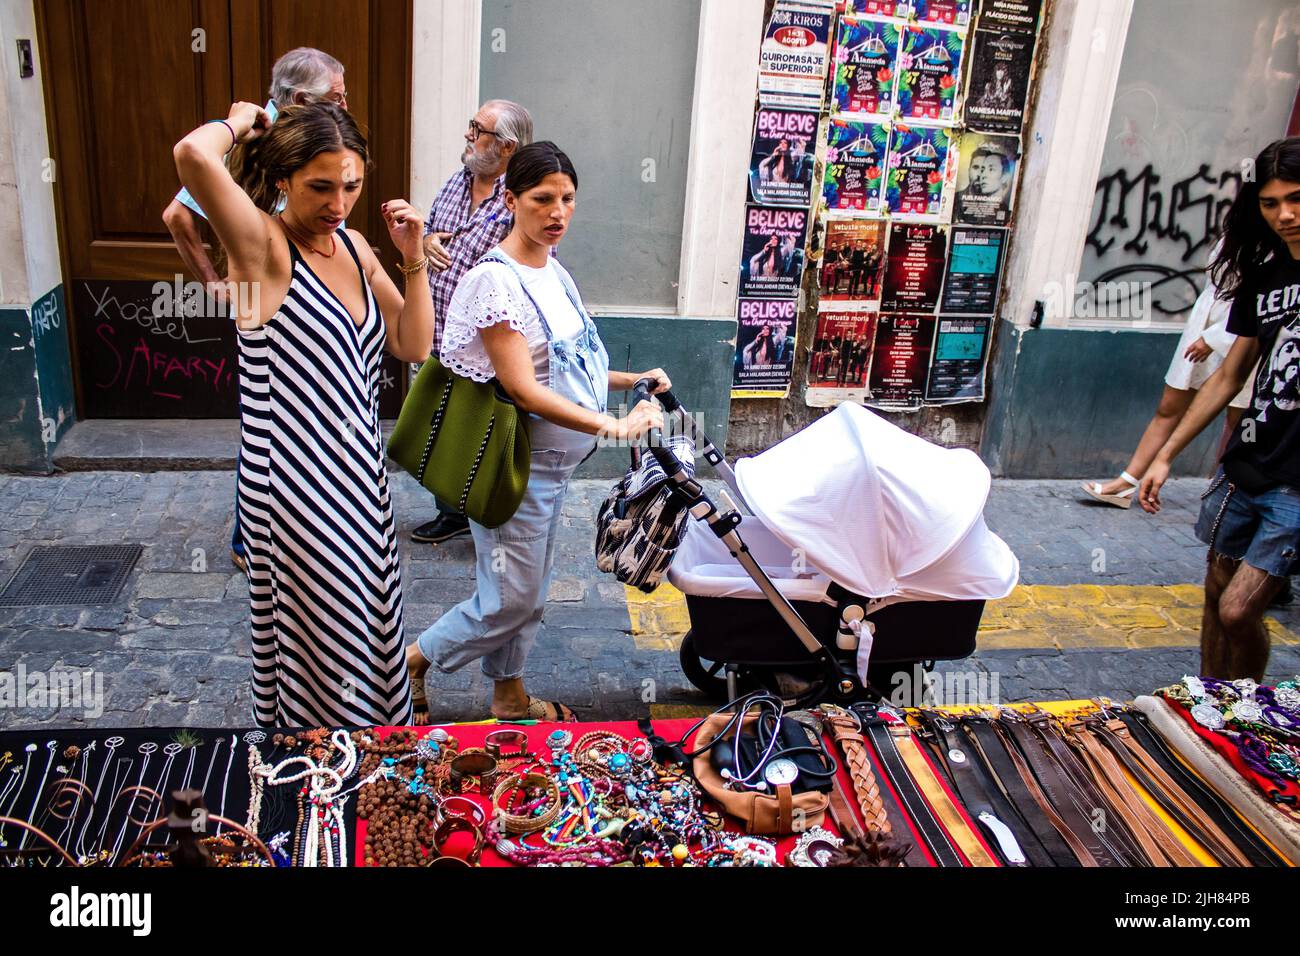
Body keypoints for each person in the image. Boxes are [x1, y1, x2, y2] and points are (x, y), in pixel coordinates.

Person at [173, 100, 435, 726]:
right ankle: (315, 772)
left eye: (351, 184)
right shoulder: (261, 243)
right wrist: (241, 122)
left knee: (368, 629)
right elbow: (191, 156)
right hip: (293, 485)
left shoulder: (352, 245)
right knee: (321, 642)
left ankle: (367, 759)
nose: (338, 202)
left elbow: (412, 343)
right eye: (320, 186)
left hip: (358, 479)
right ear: (284, 178)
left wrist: (412, 252)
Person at [404, 142, 671, 722]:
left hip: (554, 472)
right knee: (513, 597)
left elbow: (571, 365)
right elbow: (524, 388)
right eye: (542, 199)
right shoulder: (495, 283)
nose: (557, 212)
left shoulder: (553, 270)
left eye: (568, 199)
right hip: (515, 474)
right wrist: (614, 426)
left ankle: (508, 695)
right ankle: (415, 660)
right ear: (511, 199)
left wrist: (631, 380)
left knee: (526, 593)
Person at [163, 47, 348, 574]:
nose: (344, 107)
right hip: (271, 301)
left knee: (275, 412)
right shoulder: (250, 145)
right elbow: (177, 214)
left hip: (290, 294)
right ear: (296, 99)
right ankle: (256, 540)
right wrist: (215, 285)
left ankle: (280, 531)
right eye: (335, 98)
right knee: (273, 413)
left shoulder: (302, 143)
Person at [1140, 137, 1300, 681]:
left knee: (1239, 608)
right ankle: (1212, 706)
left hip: (1296, 482)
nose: (1286, 215)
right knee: (1214, 590)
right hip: (1248, 461)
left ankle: (1248, 704)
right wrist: (1165, 455)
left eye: (1297, 198)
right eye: (1271, 203)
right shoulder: (1266, 275)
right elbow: (1230, 375)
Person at [411, 99, 534, 546]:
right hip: (437, 328)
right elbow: (434, 231)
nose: (468, 135)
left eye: (476, 129)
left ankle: (479, 508)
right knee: (438, 423)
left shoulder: (521, 196)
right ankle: (451, 509)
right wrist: (424, 241)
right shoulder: (459, 179)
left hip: (482, 342)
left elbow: (530, 265)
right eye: (471, 126)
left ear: (506, 146)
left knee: (474, 426)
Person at [1082, 248, 1251, 508]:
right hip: (1207, 318)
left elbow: (1259, 299)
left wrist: (1215, 336)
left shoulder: (1278, 238)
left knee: (1239, 422)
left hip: (1242, 333)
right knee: (1169, 407)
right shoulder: (1238, 228)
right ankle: (1126, 483)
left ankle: (1228, 495)